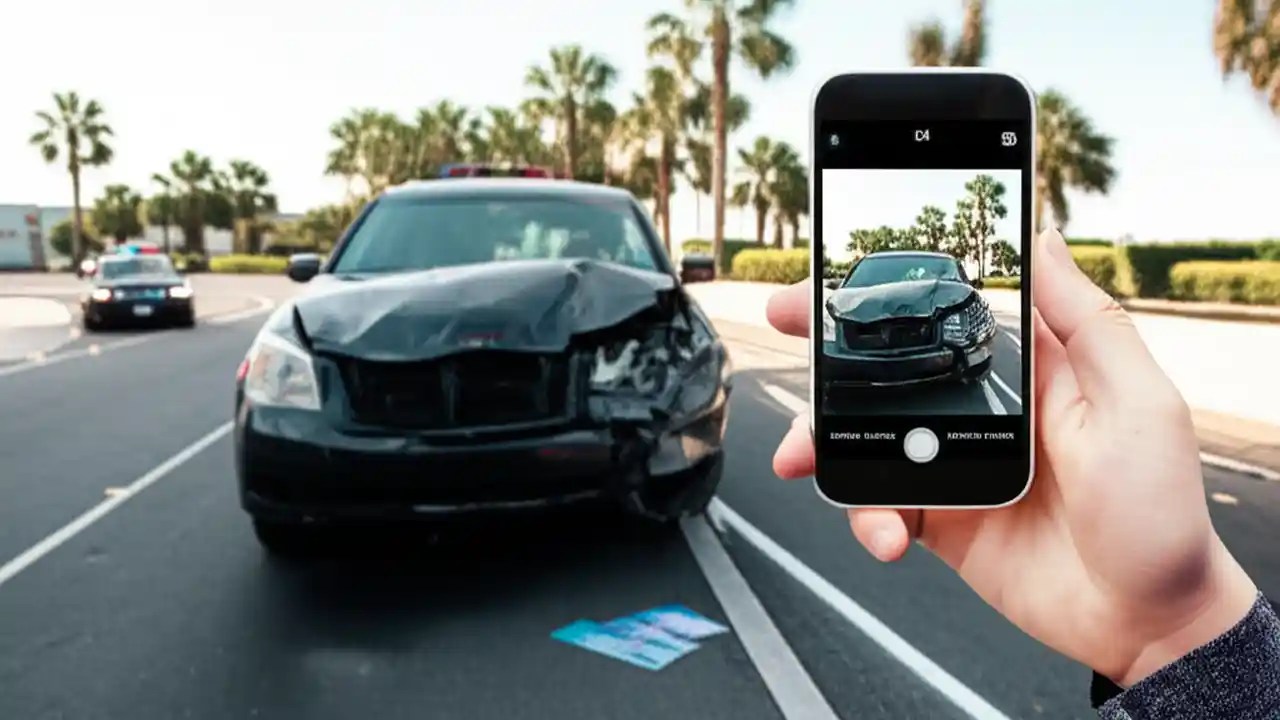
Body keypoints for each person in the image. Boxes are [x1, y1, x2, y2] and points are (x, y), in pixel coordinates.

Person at [765, 228, 1280, 718]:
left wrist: (1182, 624)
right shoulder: (840, 298)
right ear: (845, 283)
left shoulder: (953, 289)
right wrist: (1186, 630)